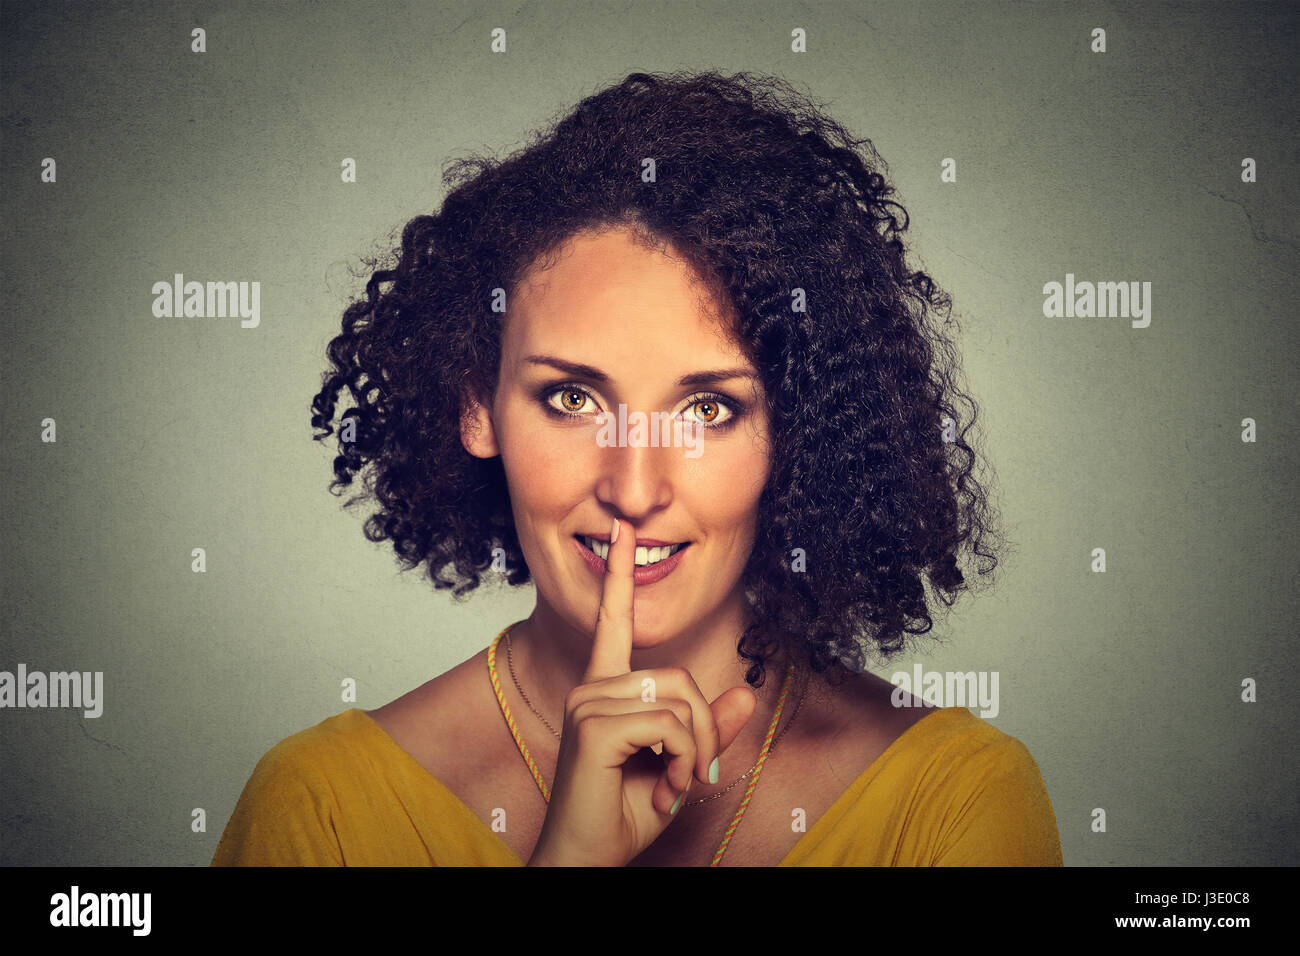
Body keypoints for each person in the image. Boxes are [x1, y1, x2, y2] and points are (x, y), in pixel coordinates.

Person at [212, 70, 1062, 867]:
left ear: (800, 432)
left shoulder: (953, 801)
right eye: (573, 399)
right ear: (478, 405)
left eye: (709, 410)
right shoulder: (323, 811)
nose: (634, 489)